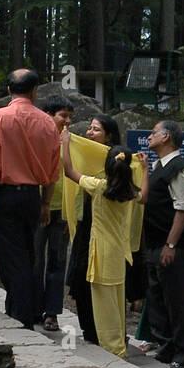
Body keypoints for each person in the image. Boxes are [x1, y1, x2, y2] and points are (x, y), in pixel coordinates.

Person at [0, 69, 60, 329]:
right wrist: (46, 204)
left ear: (8, 90)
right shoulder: (48, 122)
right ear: (35, 91)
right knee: (29, 255)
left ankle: (21, 316)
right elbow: (52, 171)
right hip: (32, 196)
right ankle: (19, 309)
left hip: (5, 194)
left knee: (10, 258)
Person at [61, 139, 139, 358]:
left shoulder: (99, 187)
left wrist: (66, 143)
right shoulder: (131, 191)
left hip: (101, 253)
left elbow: (69, 171)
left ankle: (113, 348)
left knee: (104, 306)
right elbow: (146, 196)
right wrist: (147, 172)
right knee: (117, 301)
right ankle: (119, 344)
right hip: (119, 253)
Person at [136, 120, 184, 368]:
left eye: (153, 133)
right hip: (154, 243)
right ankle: (168, 345)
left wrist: (171, 244)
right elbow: (146, 198)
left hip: (170, 245)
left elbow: (183, 208)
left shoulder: (179, 168)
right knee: (157, 297)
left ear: (167, 137)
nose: (149, 137)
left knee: (176, 299)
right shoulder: (158, 166)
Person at [64, 114, 121, 344]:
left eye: (96, 129)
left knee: (102, 284)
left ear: (109, 135)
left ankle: (104, 333)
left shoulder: (117, 162)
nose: (89, 133)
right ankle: (90, 330)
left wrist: (67, 143)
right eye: (89, 128)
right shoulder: (87, 154)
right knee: (81, 279)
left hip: (106, 230)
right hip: (86, 225)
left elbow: (70, 171)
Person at [33, 96, 72, 332]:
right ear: (49, 116)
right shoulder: (36, 140)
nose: (67, 121)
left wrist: (71, 215)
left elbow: (76, 180)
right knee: (35, 260)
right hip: (38, 208)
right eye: (63, 116)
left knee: (57, 262)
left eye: (70, 116)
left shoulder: (72, 143)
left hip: (62, 211)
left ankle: (52, 313)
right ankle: (34, 307)